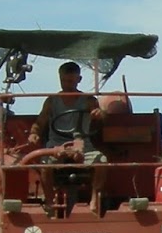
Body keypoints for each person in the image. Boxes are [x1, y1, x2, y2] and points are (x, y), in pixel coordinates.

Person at [28, 61, 107, 215]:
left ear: (79, 79)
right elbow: (40, 122)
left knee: (102, 162)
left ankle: (94, 201)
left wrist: (99, 114)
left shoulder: (89, 100)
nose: (67, 84)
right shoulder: (51, 101)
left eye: (70, 81)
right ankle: (50, 203)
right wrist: (34, 133)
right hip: (56, 145)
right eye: (64, 80)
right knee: (45, 164)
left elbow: (101, 116)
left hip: (83, 145)